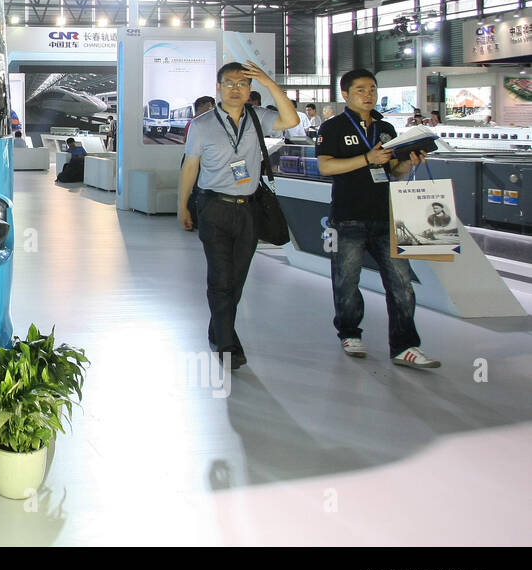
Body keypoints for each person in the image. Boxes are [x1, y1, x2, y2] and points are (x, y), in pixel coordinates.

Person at [315, 69, 438, 369]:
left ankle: (405, 345)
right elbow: (325, 167)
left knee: (401, 285)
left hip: (386, 216)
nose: (368, 94)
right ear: (345, 94)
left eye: (372, 88)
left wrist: (408, 162)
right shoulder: (332, 128)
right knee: (346, 282)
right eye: (360, 89)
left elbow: (393, 171)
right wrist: (366, 159)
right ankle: (349, 332)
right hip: (348, 217)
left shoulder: (386, 129)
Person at [178, 62, 299, 368]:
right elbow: (190, 166)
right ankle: (227, 343)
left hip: (248, 208)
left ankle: (218, 330)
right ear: (218, 88)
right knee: (220, 278)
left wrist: (269, 82)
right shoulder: (203, 125)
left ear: (249, 90)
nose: (235, 89)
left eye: (242, 84)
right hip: (213, 206)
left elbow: (291, 119)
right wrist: (182, 206)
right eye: (229, 83)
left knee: (237, 279)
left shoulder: (259, 118)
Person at [183, 96, 217, 229]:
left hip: (199, 160)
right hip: (194, 160)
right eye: (209, 106)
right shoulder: (195, 123)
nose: (212, 109)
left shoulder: (196, 122)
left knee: (198, 190)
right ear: (201, 106)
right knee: (197, 190)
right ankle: (193, 219)